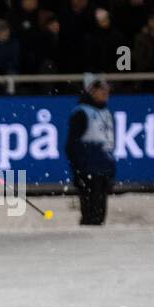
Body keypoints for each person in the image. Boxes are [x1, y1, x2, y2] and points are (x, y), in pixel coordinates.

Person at [64, 73, 114, 225]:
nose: (105, 93)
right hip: (89, 168)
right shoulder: (82, 113)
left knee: (100, 214)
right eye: (101, 89)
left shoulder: (105, 112)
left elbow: (107, 142)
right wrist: (78, 169)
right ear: (90, 91)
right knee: (90, 214)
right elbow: (72, 145)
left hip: (102, 167)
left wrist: (110, 167)